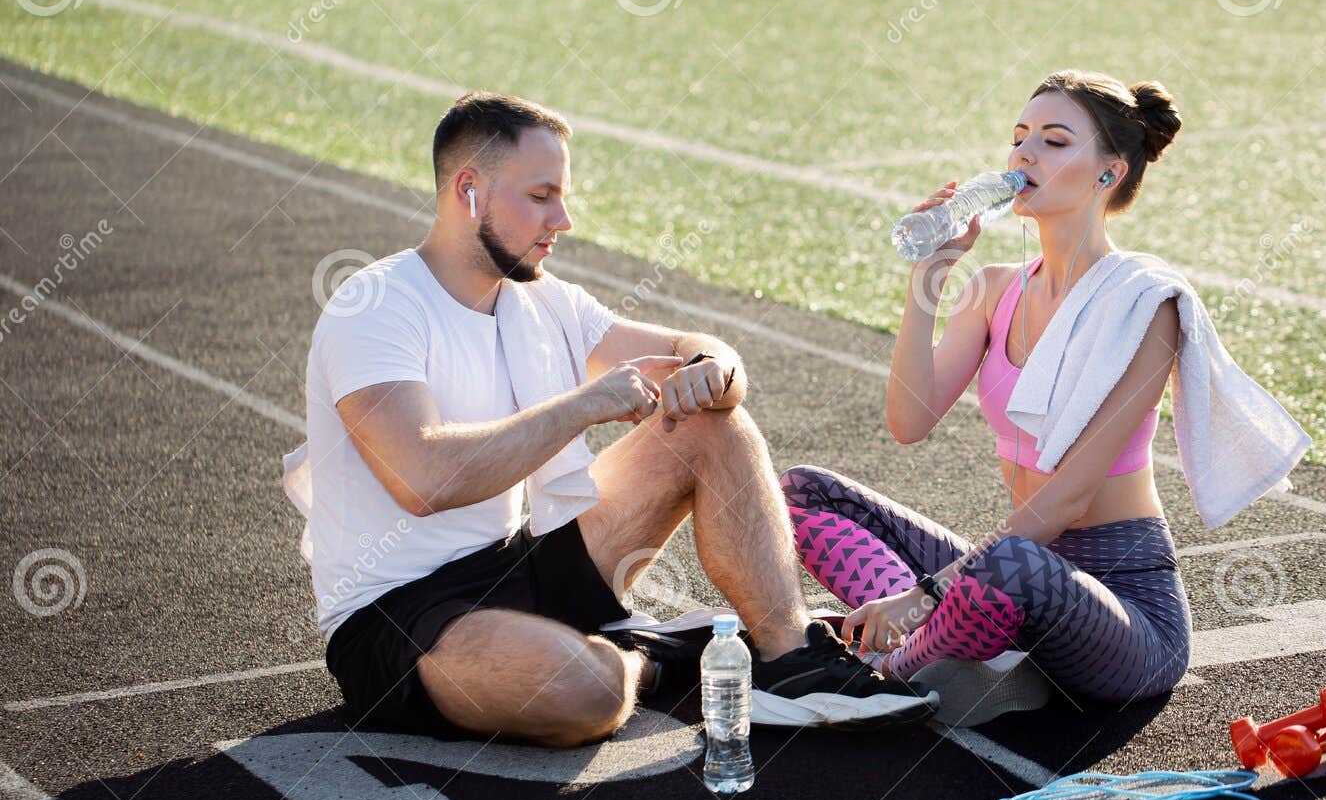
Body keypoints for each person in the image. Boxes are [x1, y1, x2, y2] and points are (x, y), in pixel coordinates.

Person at [285, 91, 937, 746]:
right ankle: (658, 656)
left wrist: (711, 368)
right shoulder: (376, 305)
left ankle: (790, 657)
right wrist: (581, 406)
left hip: (519, 564)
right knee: (589, 692)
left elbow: (693, 348)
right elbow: (423, 478)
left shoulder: (543, 300)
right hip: (398, 617)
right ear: (469, 190)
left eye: (562, 195)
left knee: (712, 422)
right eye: (541, 195)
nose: (562, 218)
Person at [784, 69, 1275, 723]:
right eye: (1019, 138)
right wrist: (928, 274)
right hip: (1003, 582)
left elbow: (1069, 496)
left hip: (1126, 616)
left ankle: (885, 672)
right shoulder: (993, 289)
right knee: (803, 492)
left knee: (1009, 564)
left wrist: (922, 596)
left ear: (1108, 173)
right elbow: (908, 420)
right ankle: (960, 647)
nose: (1023, 155)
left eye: (1053, 140)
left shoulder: (1143, 304)